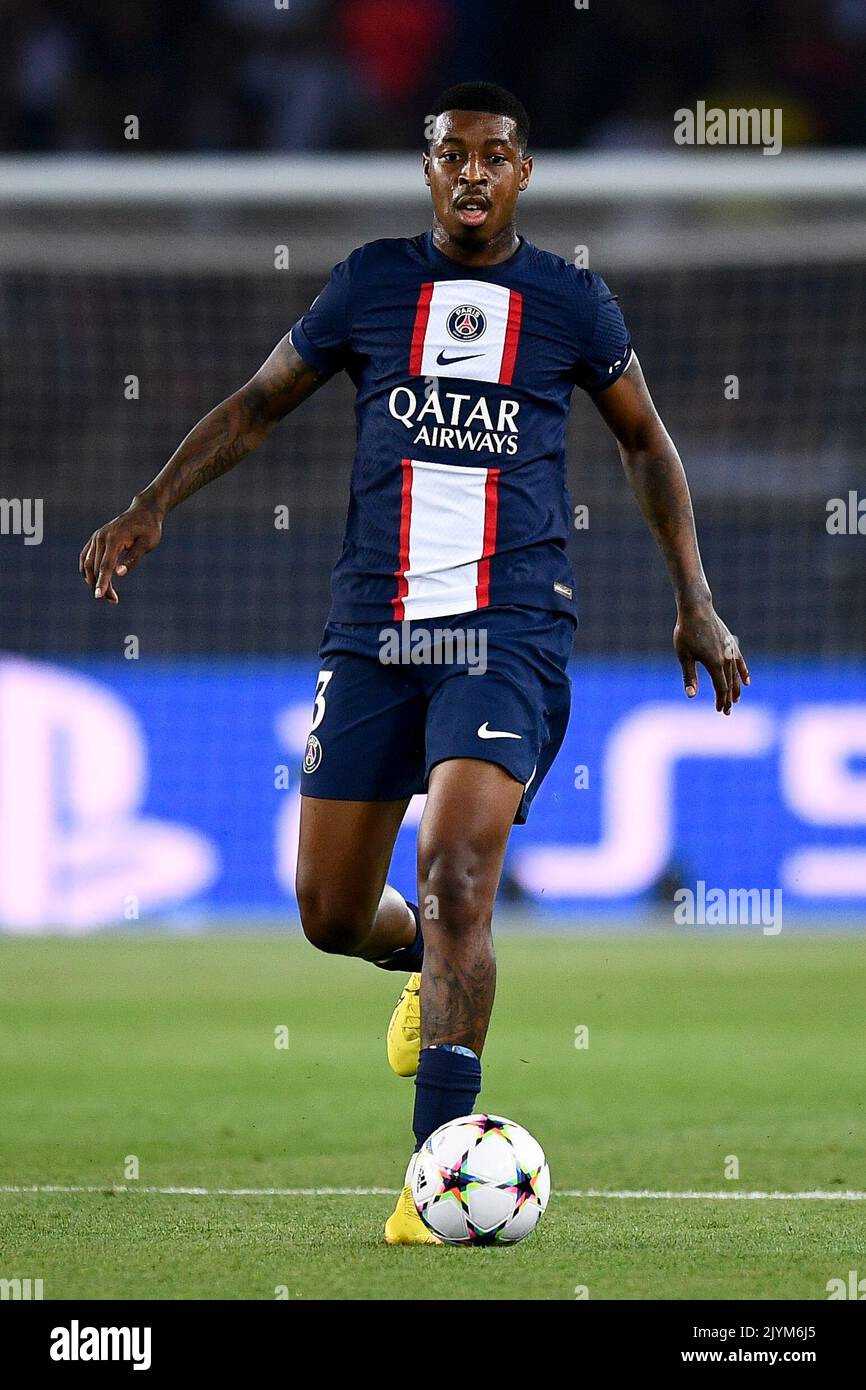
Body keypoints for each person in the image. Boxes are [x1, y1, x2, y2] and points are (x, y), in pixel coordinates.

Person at [80, 81, 749, 1244]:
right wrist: (151, 503)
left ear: (523, 175)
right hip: (374, 634)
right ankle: (408, 962)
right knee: (330, 910)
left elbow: (645, 440)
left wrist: (695, 599)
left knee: (454, 865)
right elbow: (255, 404)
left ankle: (431, 1173)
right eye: (454, 155)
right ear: (427, 169)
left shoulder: (571, 302)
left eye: (496, 156)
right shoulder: (370, 283)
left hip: (509, 635)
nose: (475, 173)